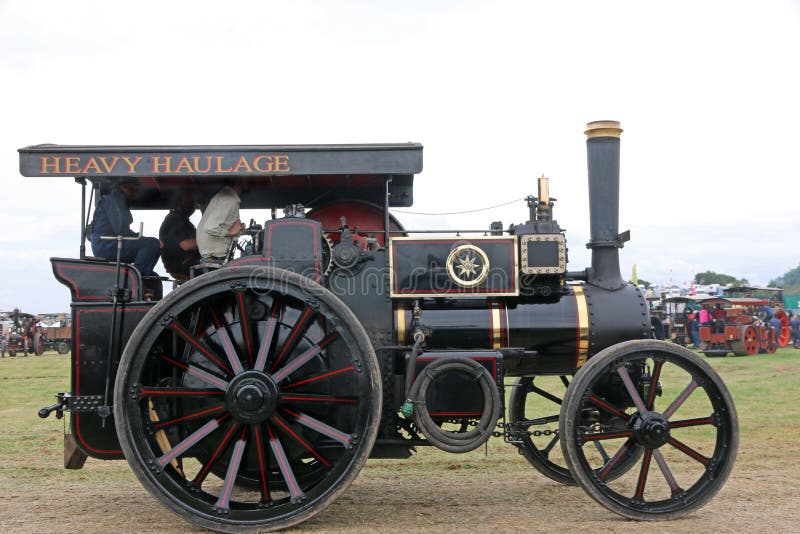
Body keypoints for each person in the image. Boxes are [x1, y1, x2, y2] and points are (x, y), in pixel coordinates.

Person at [89, 179, 160, 276]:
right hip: (107, 246)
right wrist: (140, 238)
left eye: (137, 191)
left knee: (154, 245)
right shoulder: (115, 199)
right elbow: (121, 229)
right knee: (151, 243)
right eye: (133, 190)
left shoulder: (116, 200)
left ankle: (143, 275)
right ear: (124, 187)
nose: (135, 194)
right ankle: (138, 278)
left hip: (108, 244)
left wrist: (139, 238)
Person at [196, 178, 247, 261]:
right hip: (216, 259)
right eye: (246, 177)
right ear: (239, 180)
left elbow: (232, 230)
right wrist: (230, 232)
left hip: (215, 258)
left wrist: (239, 230)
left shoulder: (227, 197)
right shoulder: (229, 199)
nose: (249, 180)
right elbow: (210, 227)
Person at [159, 192, 201, 281]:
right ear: (179, 202)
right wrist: (206, 239)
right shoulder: (175, 218)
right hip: (182, 264)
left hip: (183, 263)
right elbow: (185, 245)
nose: (194, 205)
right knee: (216, 268)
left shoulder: (183, 220)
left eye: (194, 202)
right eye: (190, 201)